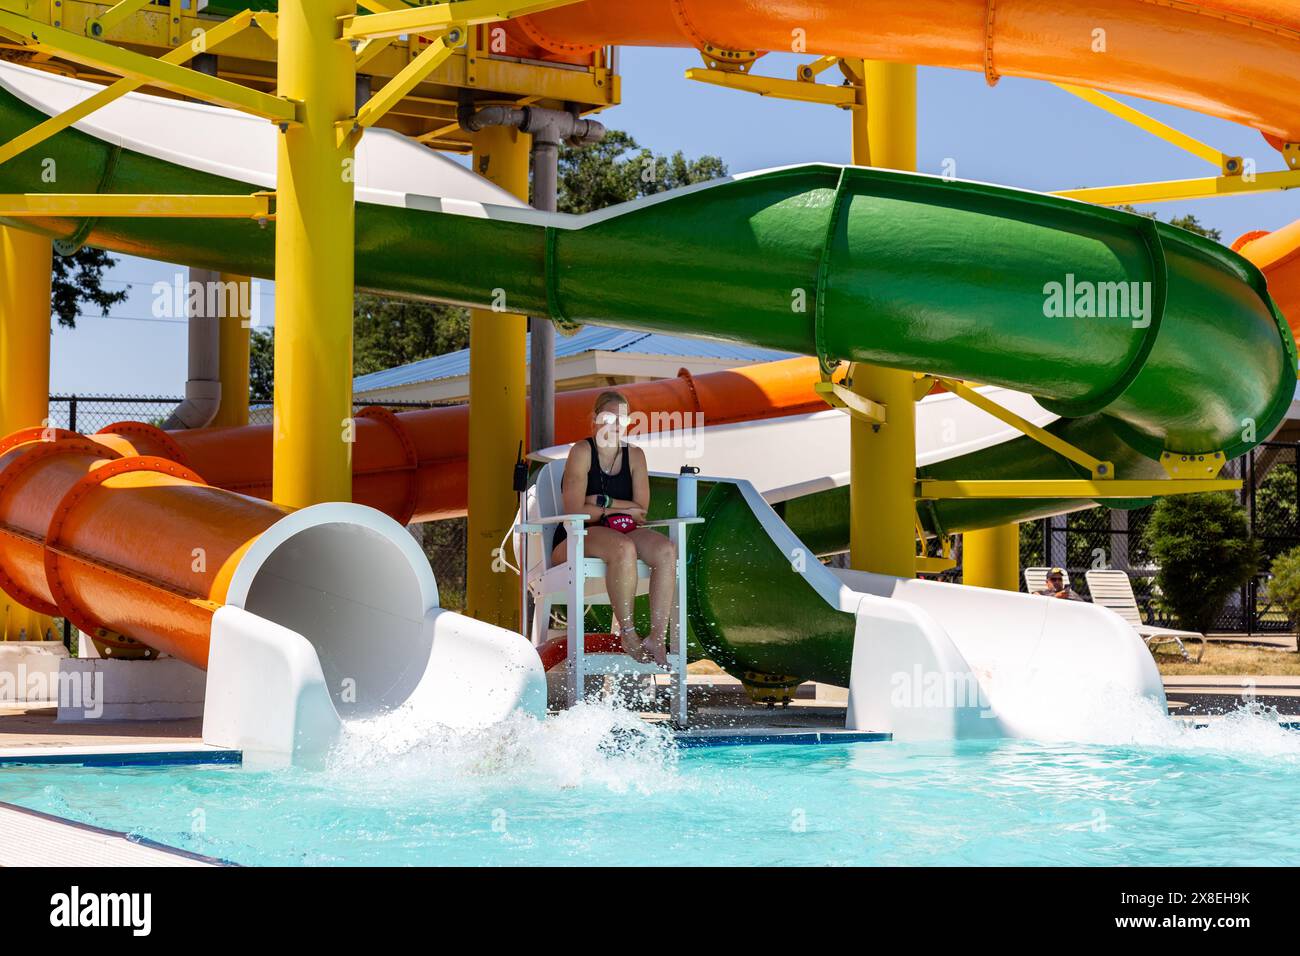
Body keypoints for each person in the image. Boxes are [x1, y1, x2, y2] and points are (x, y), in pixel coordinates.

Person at [551, 391, 677, 666]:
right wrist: (621, 508)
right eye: (608, 417)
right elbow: (576, 512)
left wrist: (602, 504)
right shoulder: (582, 452)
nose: (616, 424)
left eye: (622, 418)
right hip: (577, 536)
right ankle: (627, 633)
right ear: (594, 420)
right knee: (624, 548)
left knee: (666, 551)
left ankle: (657, 636)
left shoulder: (635, 456)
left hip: (622, 529)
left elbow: (640, 511)